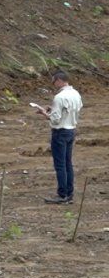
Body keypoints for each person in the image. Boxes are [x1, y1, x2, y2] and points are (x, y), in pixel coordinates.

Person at [36, 70, 83, 204]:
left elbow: (55, 120)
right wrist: (54, 109)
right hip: (71, 130)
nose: (53, 84)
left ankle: (62, 195)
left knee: (60, 165)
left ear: (59, 81)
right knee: (68, 163)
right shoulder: (76, 94)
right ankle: (69, 193)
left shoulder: (59, 97)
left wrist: (44, 113)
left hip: (60, 132)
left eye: (54, 81)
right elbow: (74, 109)